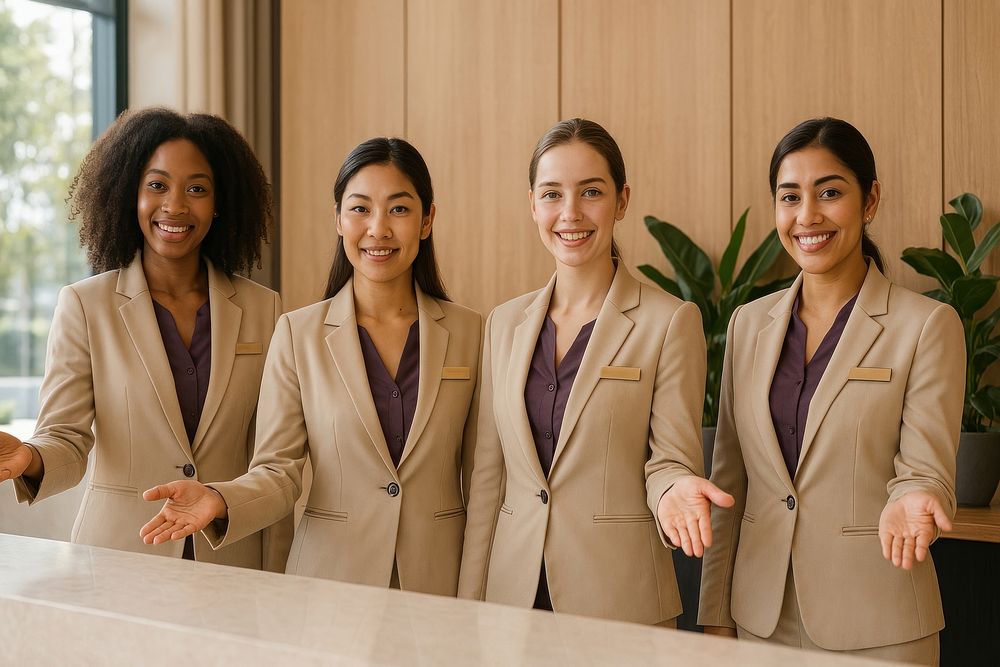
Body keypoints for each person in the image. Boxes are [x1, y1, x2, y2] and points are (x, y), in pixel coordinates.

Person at [139, 137, 482, 595]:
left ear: (427, 220)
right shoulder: (297, 334)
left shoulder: (473, 332)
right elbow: (278, 472)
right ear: (339, 219)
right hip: (329, 582)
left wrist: (481, 593)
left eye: (399, 210)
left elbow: (486, 482)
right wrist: (220, 499)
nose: (378, 229)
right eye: (360, 209)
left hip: (441, 584)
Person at [698, 117, 964, 664]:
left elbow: (926, 470)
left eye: (830, 193)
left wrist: (917, 498)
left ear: (870, 202)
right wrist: (715, 617)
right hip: (758, 620)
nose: (807, 216)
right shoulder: (748, 325)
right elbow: (730, 479)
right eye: (789, 197)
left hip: (879, 619)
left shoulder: (926, 326)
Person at [458, 118, 733, 625]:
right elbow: (488, 481)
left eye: (591, 192)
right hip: (511, 599)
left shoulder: (670, 321)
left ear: (622, 201)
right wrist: (470, 607)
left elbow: (670, 459)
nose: (570, 213)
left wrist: (674, 489)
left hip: (619, 600)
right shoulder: (504, 323)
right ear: (532, 204)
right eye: (552, 194)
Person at [0, 107, 291, 571]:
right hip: (117, 557)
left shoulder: (266, 310)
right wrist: (29, 456)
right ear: (129, 195)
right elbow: (68, 440)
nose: (175, 205)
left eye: (196, 188)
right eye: (156, 185)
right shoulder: (84, 305)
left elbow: (274, 461)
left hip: (231, 558)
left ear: (220, 202)